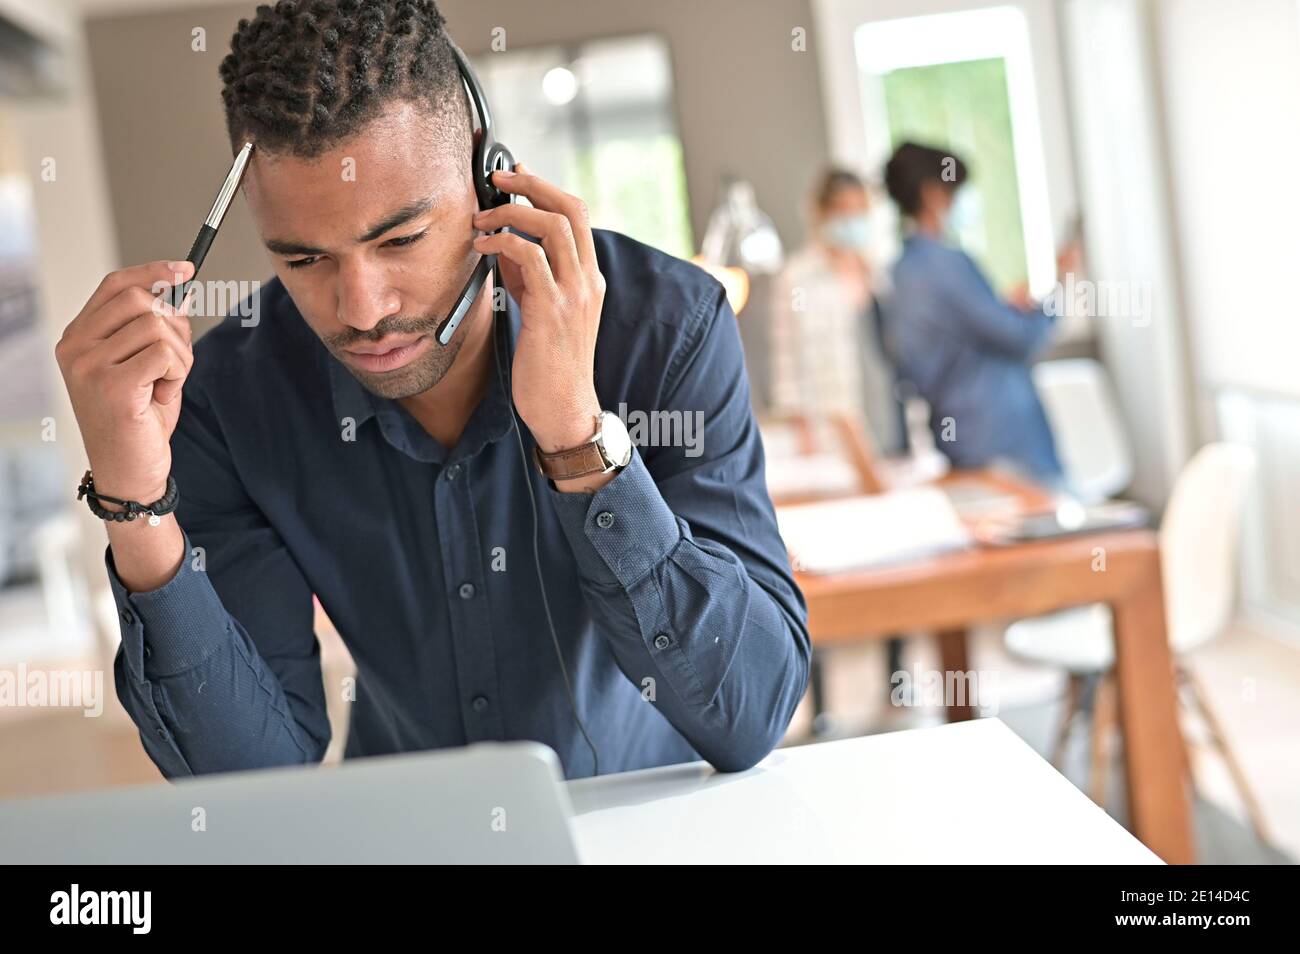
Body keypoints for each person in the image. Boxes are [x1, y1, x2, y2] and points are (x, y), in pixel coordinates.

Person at [54, 0, 809, 780]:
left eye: (400, 239)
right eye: (304, 260)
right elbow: (256, 780)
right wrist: (135, 507)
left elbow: (749, 714)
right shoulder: (227, 399)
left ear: (489, 180)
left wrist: (578, 439)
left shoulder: (665, 325)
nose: (364, 310)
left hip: (654, 827)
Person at [879, 141, 1066, 487]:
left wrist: (1000, 305)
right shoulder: (946, 265)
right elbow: (1020, 338)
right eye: (956, 192)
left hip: (960, 436)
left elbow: (955, 335)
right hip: (1001, 438)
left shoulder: (903, 271)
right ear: (934, 194)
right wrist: (1058, 294)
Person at [770, 167, 901, 453]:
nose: (853, 219)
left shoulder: (879, 274)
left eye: (859, 210)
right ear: (821, 213)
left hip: (887, 415)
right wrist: (801, 426)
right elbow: (786, 360)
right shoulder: (798, 276)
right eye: (843, 210)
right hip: (834, 426)